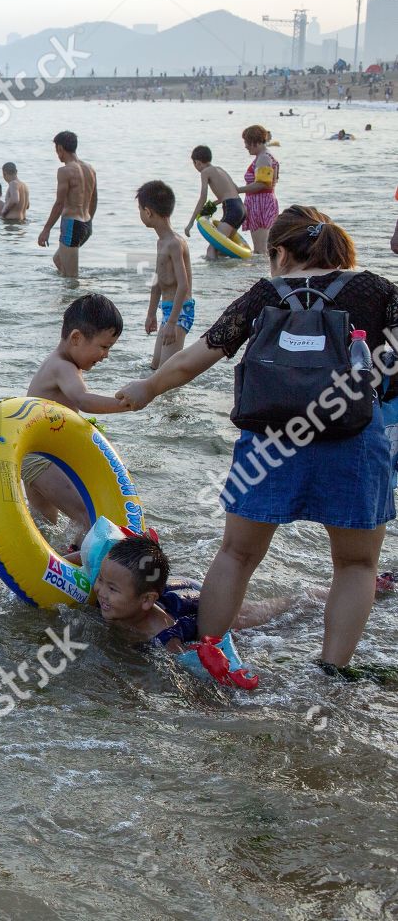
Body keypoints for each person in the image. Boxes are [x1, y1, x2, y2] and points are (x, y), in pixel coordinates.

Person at [116, 206, 397, 670]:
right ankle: (332, 671)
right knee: (355, 565)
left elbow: (196, 356)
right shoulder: (377, 290)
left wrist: (147, 388)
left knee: (238, 554)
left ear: (280, 253)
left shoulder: (265, 293)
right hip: (352, 442)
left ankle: (207, 655)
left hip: (270, 442)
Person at [23, 294, 130, 550]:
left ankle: (36, 563)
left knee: (43, 523)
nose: (106, 355)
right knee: (87, 516)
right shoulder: (63, 367)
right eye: (104, 347)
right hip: (42, 462)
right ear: (76, 338)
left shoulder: (57, 363)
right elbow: (83, 400)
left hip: (33, 456)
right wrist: (125, 404)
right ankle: (75, 562)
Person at [92, 535, 302, 652]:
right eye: (100, 579)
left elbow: (184, 670)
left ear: (146, 600)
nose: (101, 591)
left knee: (257, 616)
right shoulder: (118, 588)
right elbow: (87, 559)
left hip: (198, 606)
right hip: (171, 591)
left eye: (112, 589)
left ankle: (308, 598)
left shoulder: (164, 637)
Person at [137, 180, 193, 370]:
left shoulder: (174, 243)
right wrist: (151, 313)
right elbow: (157, 281)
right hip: (168, 310)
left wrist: (172, 322)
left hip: (180, 311)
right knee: (155, 367)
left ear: (148, 212)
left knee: (165, 372)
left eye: (139, 210)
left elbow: (183, 286)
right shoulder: (161, 242)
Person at [37, 131, 96, 278]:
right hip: (86, 224)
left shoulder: (65, 171)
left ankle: (80, 293)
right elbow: (94, 199)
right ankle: (67, 293)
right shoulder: (90, 169)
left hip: (72, 224)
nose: (57, 155)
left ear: (60, 148)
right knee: (58, 260)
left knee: (71, 278)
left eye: (56, 150)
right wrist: (89, 222)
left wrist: (46, 229)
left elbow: (59, 204)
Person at [183, 145, 244, 258]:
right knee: (222, 250)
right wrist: (212, 205)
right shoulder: (220, 169)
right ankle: (226, 269)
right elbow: (234, 190)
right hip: (241, 208)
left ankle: (212, 270)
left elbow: (203, 198)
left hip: (231, 208)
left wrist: (190, 223)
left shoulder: (205, 172)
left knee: (212, 249)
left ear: (197, 162)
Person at [234, 124, 279, 256]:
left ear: (256, 142)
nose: (245, 146)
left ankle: (261, 269)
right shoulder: (265, 156)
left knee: (261, 250)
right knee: (261, 249)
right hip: (262, 202)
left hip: (261, 204)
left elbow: (263, 184)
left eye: (247, 142)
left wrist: (237, 190)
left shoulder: (263, 158)